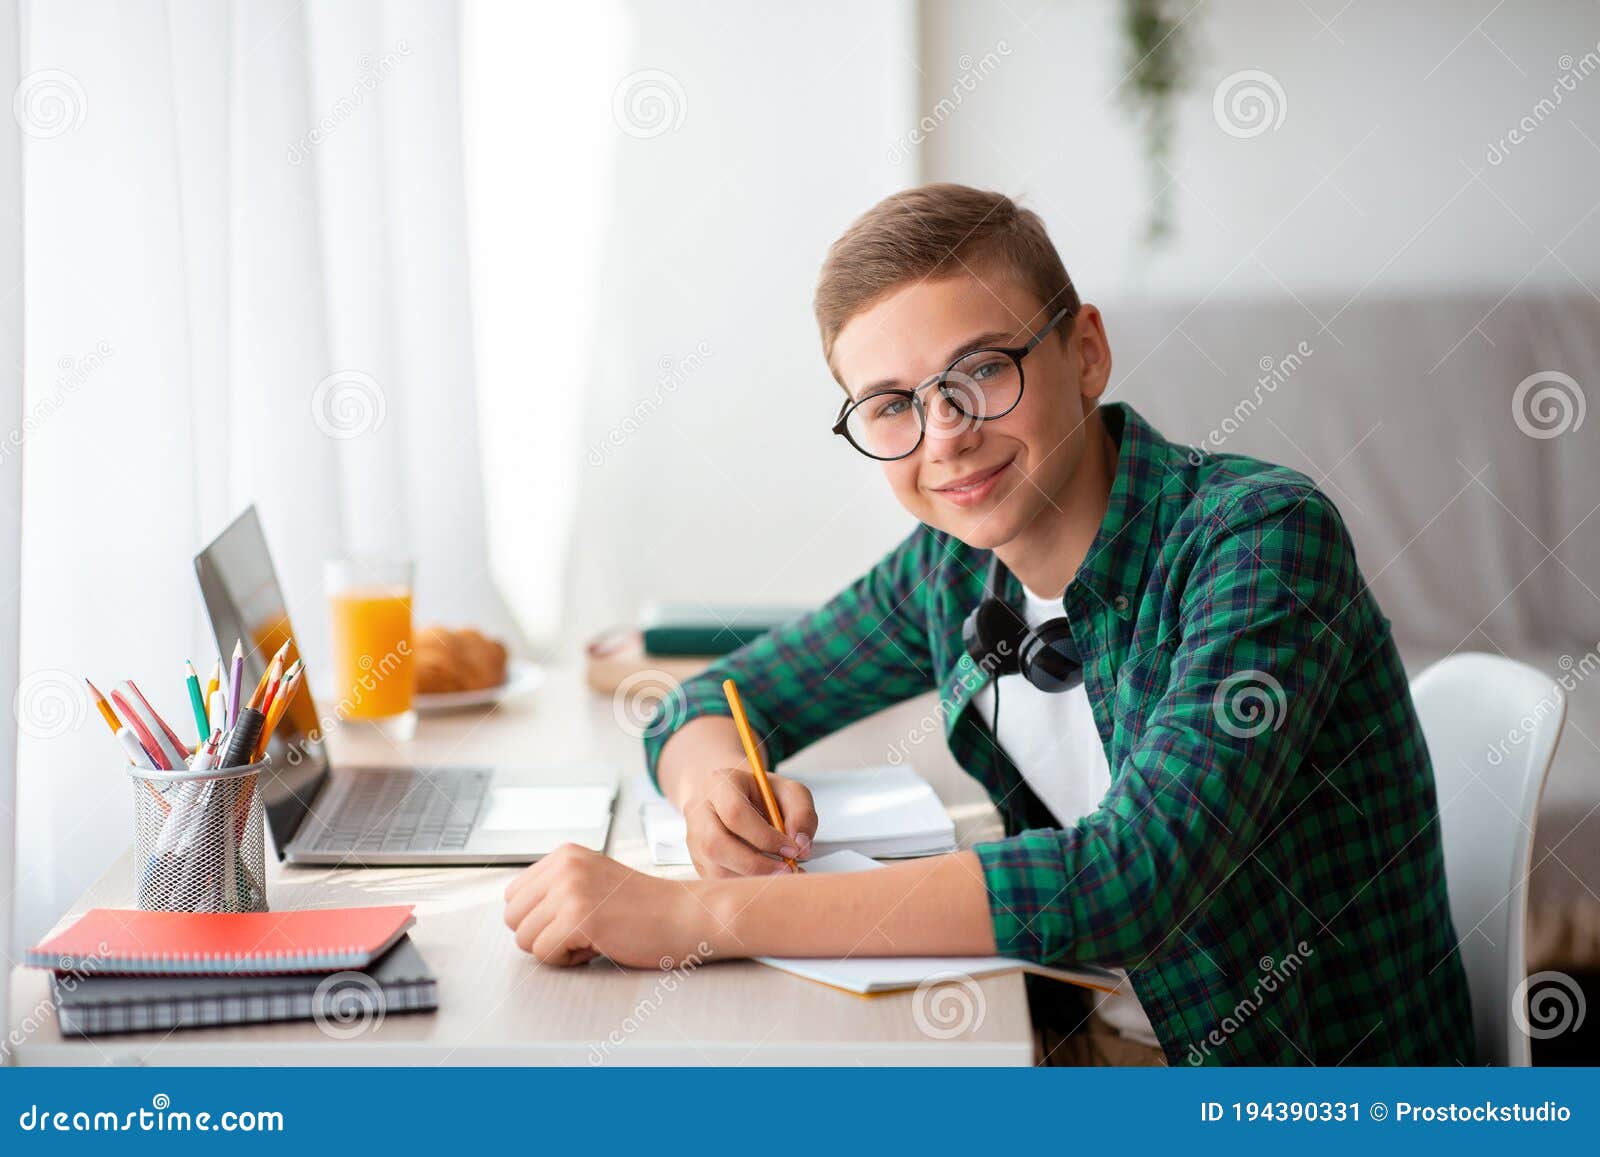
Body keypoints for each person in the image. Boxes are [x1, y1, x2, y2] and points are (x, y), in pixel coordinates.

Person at [503, 183, 1475, 1066]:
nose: (946, 434)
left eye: (981, 370)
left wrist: (699, 916)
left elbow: (1136, 877)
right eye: (892, 405)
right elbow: (708, 703)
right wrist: (715, 789)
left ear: (1084, 352)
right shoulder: (950, 569)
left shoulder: (1259, 539)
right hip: (1076, 1028)